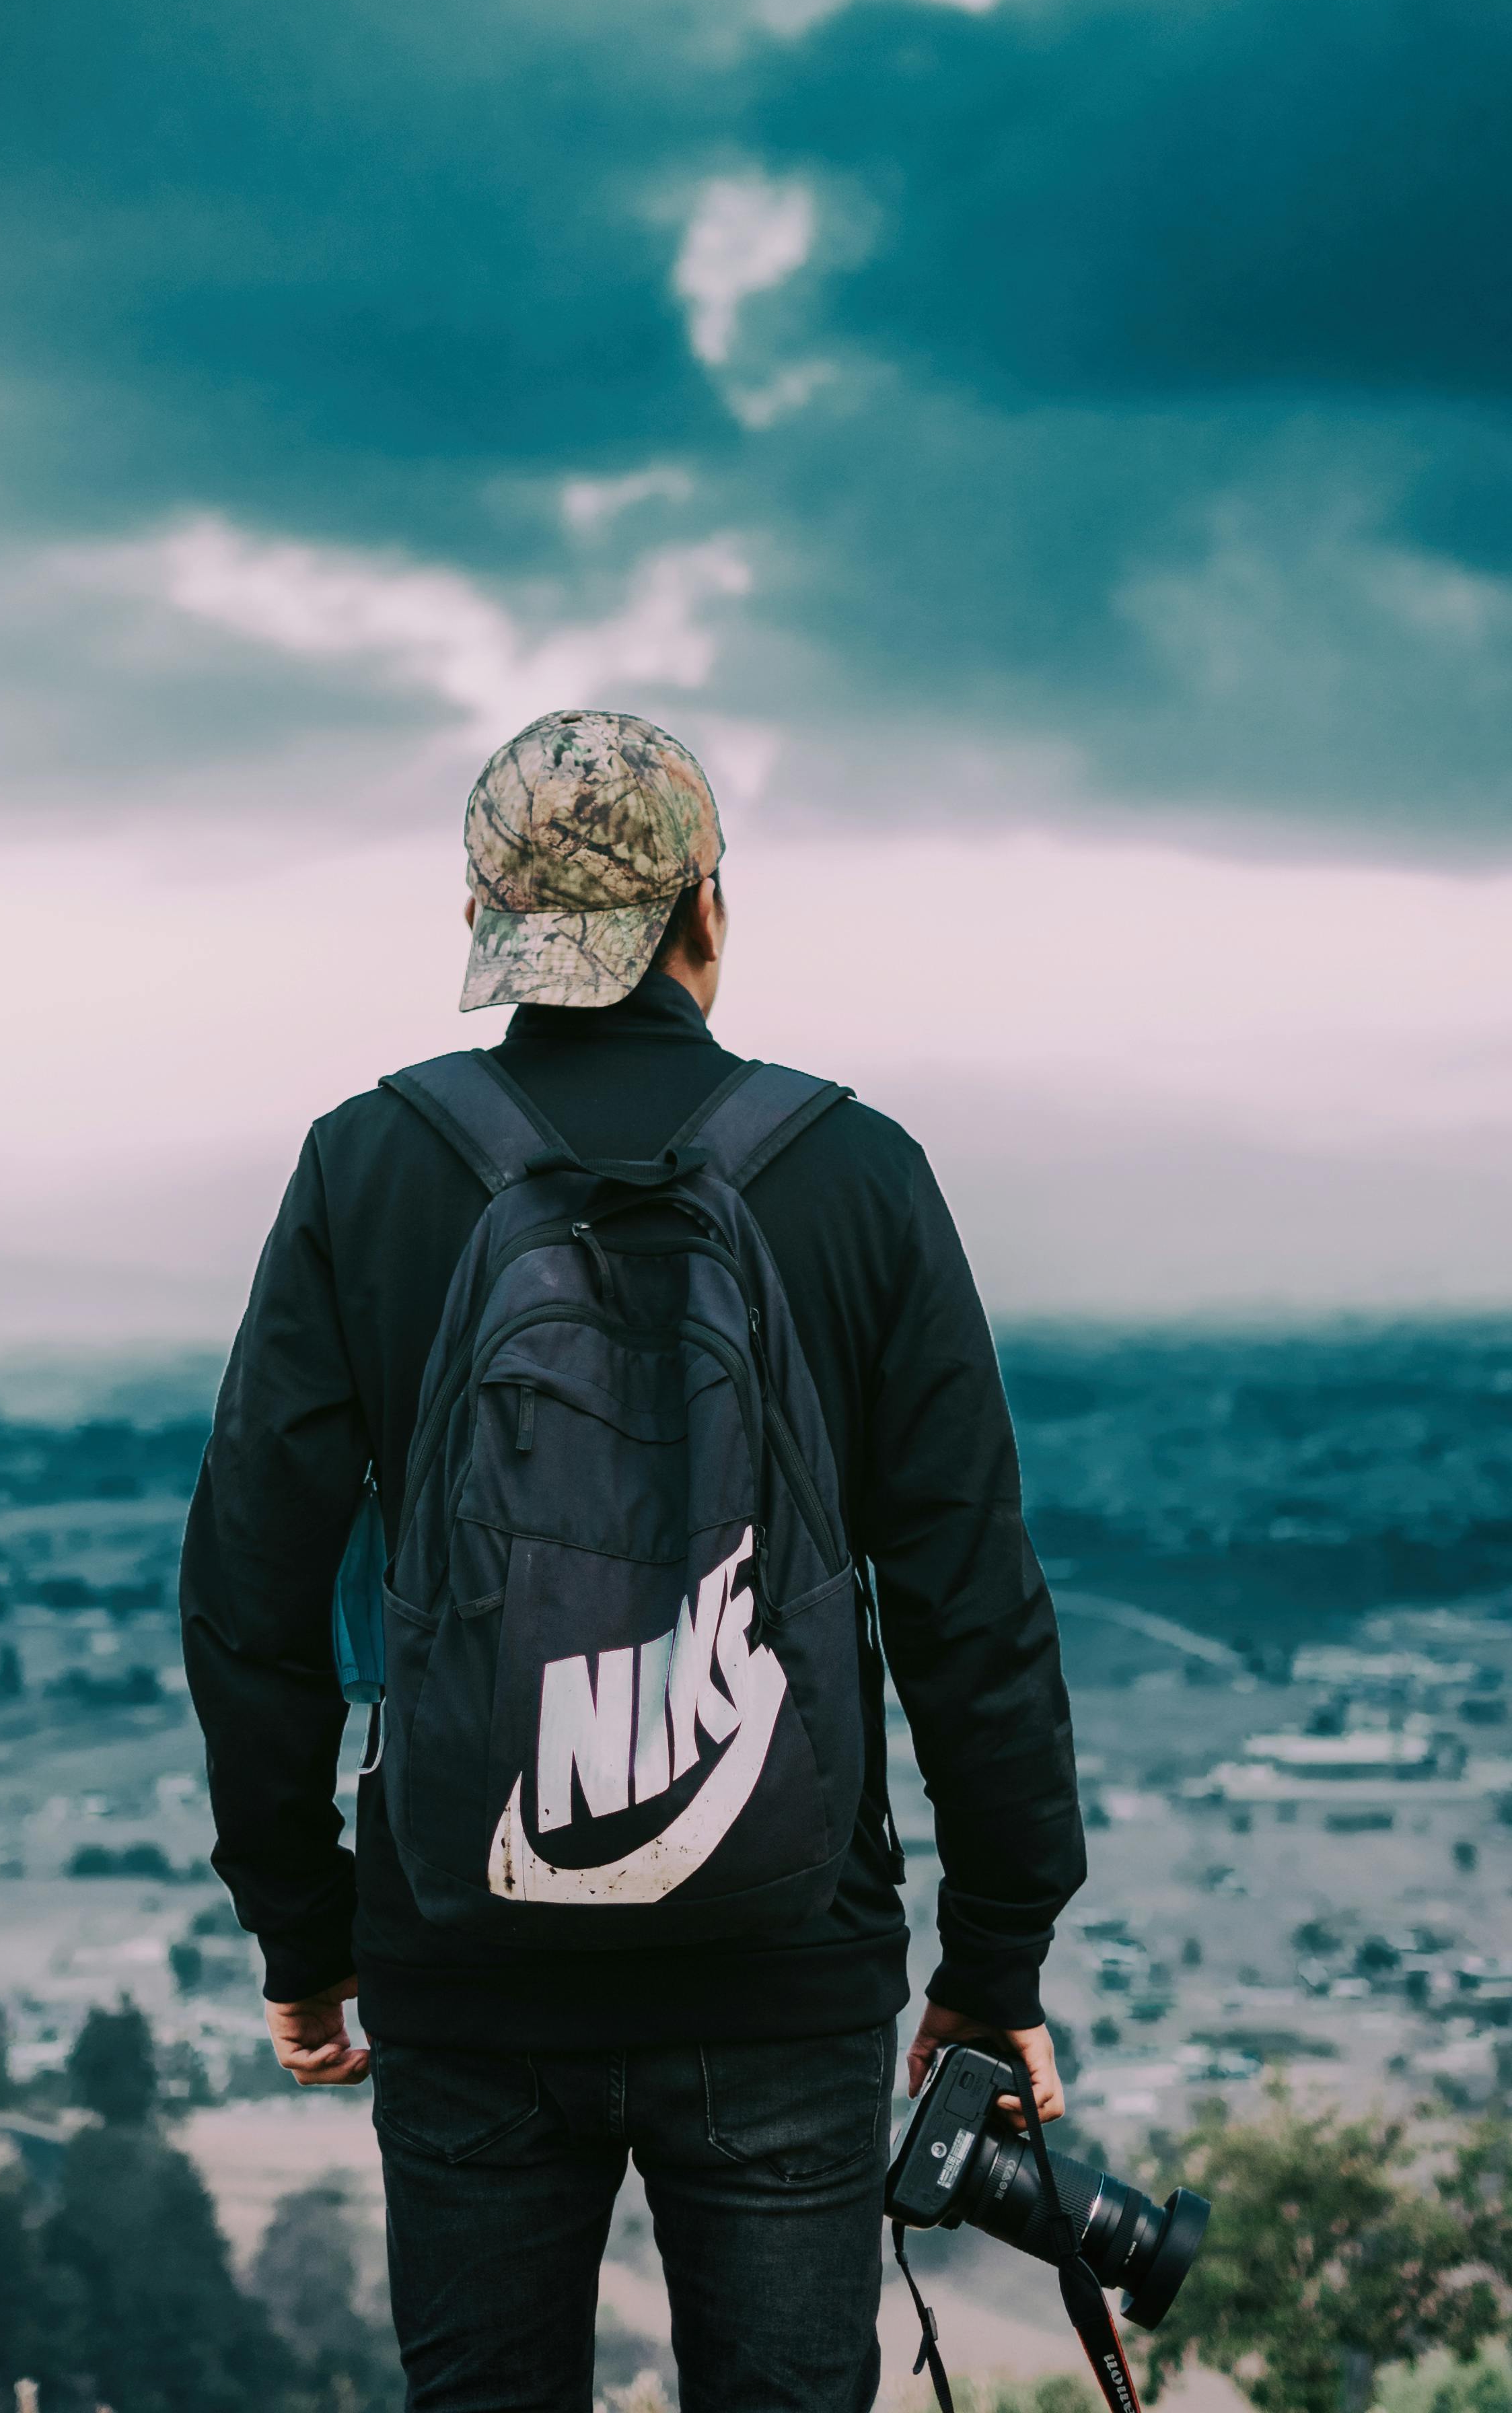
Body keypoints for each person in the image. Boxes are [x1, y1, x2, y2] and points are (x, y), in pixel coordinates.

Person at [180, 709, 1085, 2413]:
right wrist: (994, 1964)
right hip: (781, 1961)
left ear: (482, 929)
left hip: (468, 1952)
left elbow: (251, 1584)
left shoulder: (369, 1167)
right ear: (708, 914)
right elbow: (972, 1596)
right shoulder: (858, 1175)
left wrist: (304, 1934)